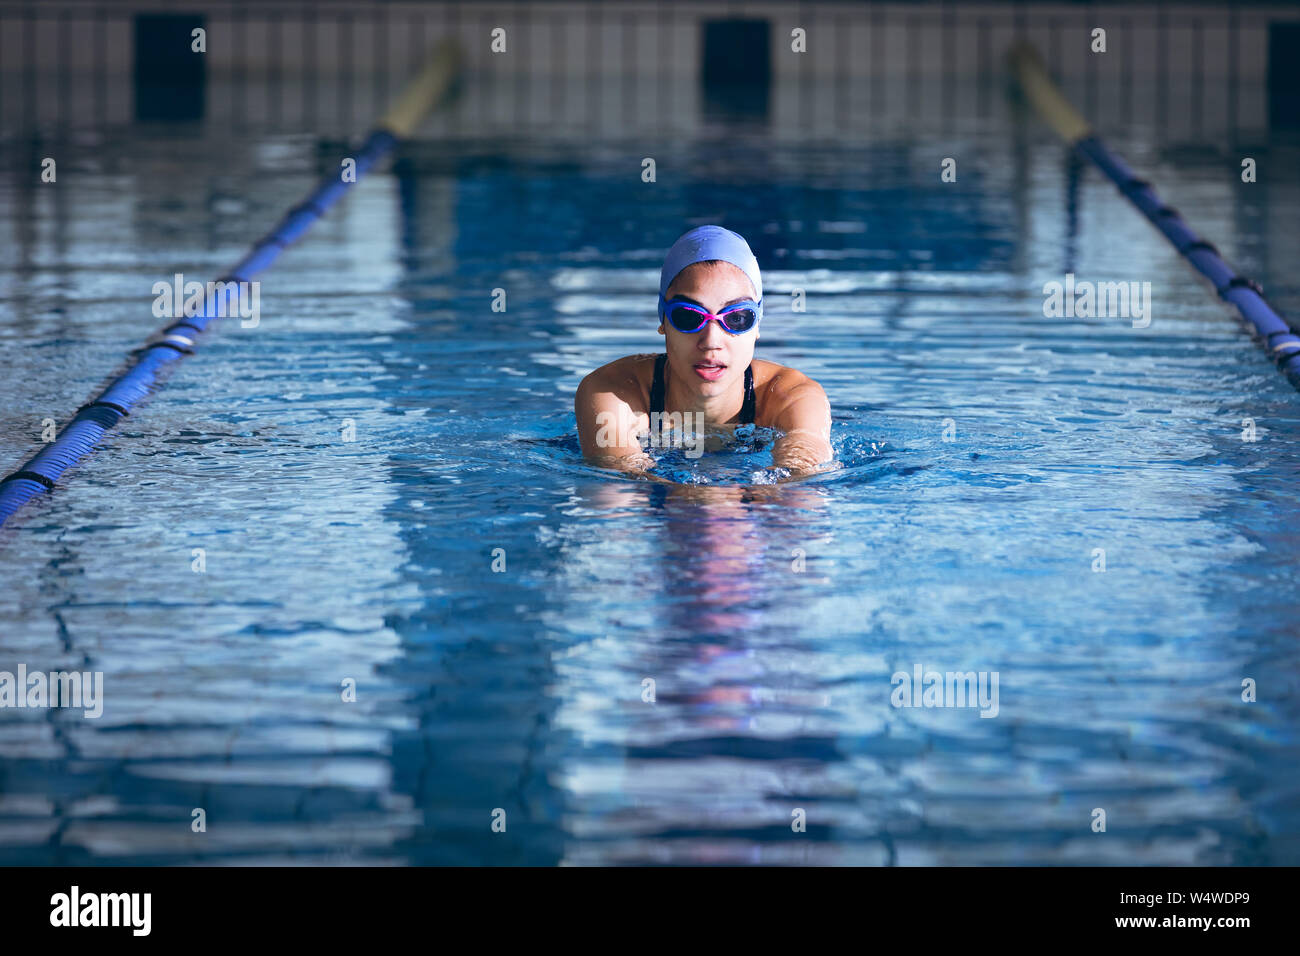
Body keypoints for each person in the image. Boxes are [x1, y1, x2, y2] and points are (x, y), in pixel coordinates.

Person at [575, 225, 832, 479]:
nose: (711, 341)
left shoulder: (795, 397)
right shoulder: (613, 392)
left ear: (757, 326)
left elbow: (801, 480)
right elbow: (621, 490)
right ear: (664, 322)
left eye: (737, 318)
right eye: (688, 316)